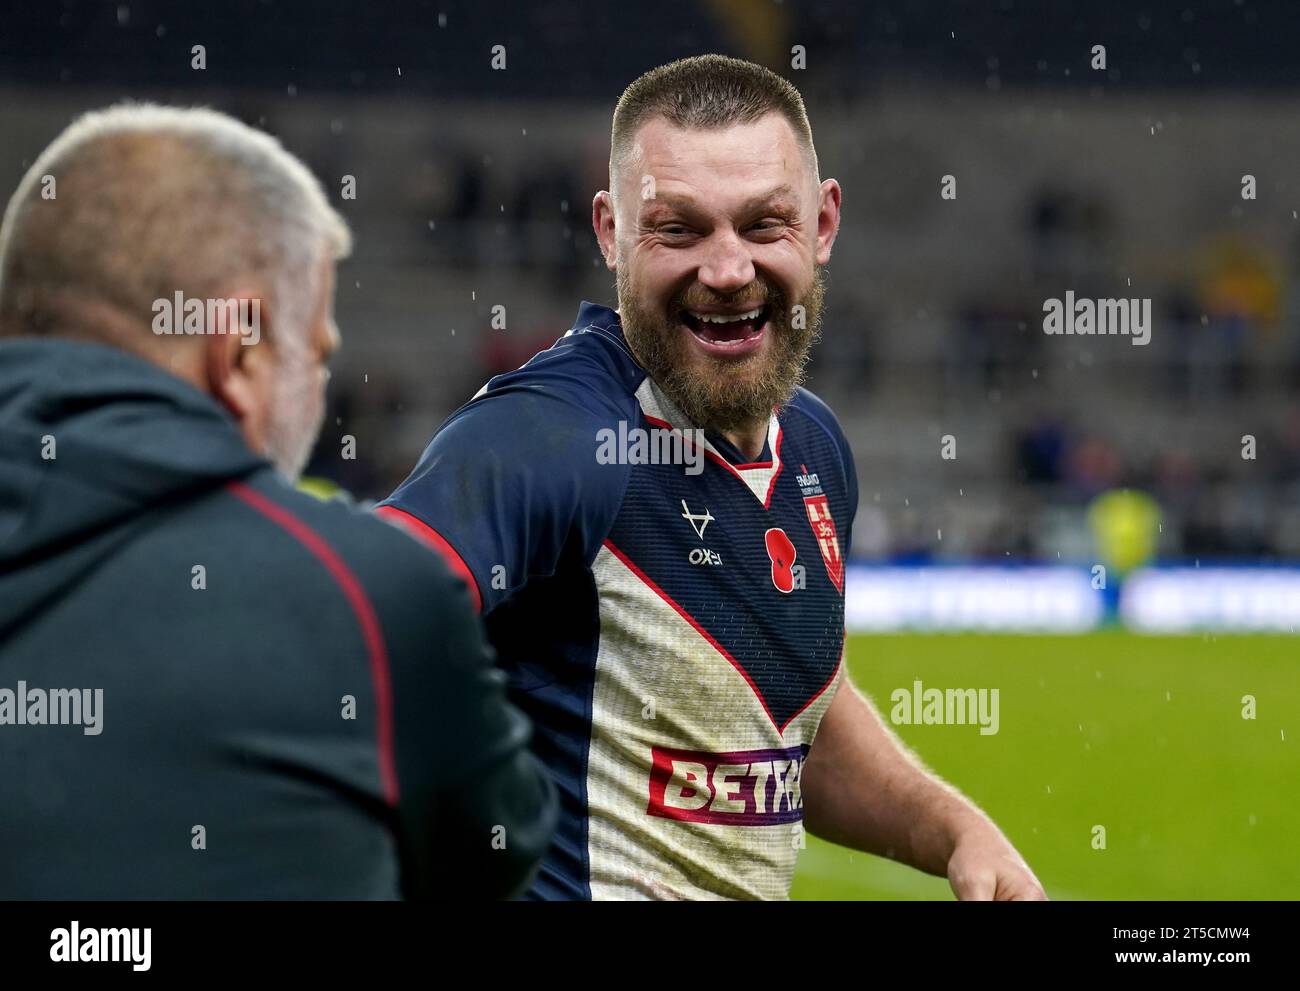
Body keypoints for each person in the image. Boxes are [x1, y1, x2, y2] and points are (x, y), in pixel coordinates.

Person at [380, 55, 1046, 900]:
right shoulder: (553, 433)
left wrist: (958, 830)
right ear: (612, 232)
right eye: (679, 229)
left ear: (824, 221)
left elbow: (784, 722)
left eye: (765, 225)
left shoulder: (814, 444)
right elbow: (347, 616)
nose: (728, 271)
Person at [0, 103, 556, 899]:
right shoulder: (374, 596)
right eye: (319, 353)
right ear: (242, 351)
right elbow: (500, 852)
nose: (321, 387)